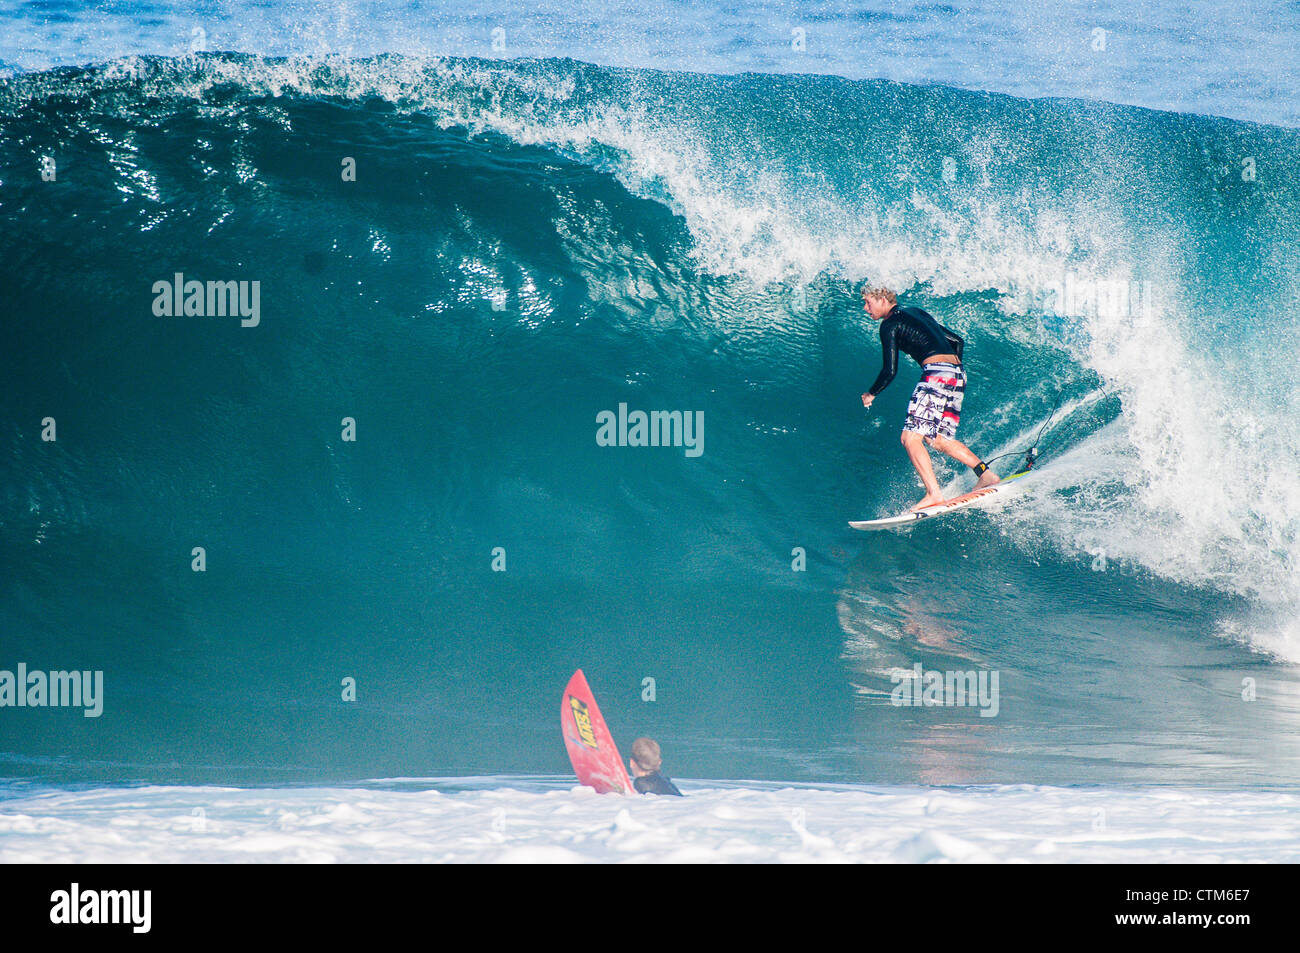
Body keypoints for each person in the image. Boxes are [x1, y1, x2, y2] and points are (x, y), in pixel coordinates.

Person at [859, 286, 998, 511]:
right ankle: (986, 474)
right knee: (939, 439)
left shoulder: (889, 325)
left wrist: (871, 393)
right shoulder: (916, 312)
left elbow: (890, 370)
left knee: (909, 438)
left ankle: (934, 494)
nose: (866, 309)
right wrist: (951, 370)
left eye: (868, 302)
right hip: (957, 374)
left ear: (883, 299)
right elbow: (957, 341)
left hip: (937, 375)